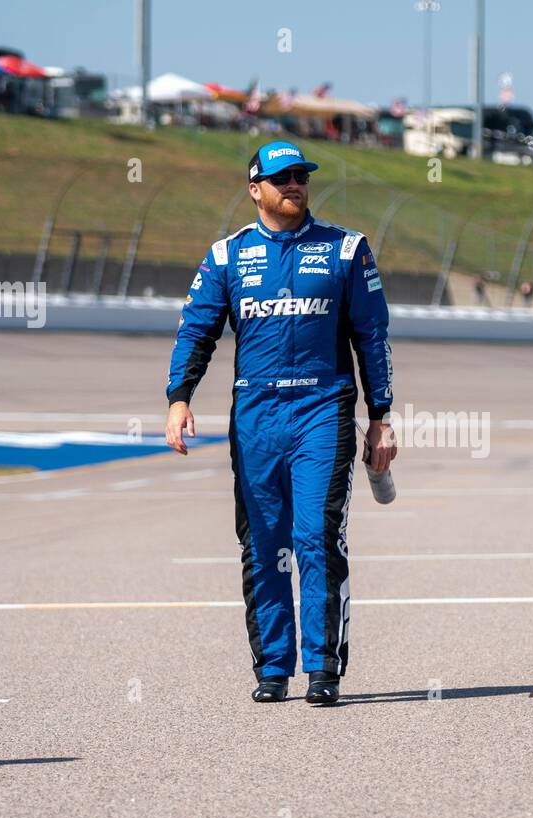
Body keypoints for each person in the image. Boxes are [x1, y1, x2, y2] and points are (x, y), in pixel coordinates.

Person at [164, 140, 397, 705]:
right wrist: (179, 398)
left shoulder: (347, 249)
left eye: (301, 176)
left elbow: (372, 336)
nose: (294, 184)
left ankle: (323, 669)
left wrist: (381, 417)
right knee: (263, 544)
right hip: (255, 416)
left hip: (324, 409)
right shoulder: (226, 256)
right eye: (282, 177)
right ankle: (272, 668)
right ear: (255, 189)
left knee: (315, 537)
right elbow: (198, 329)